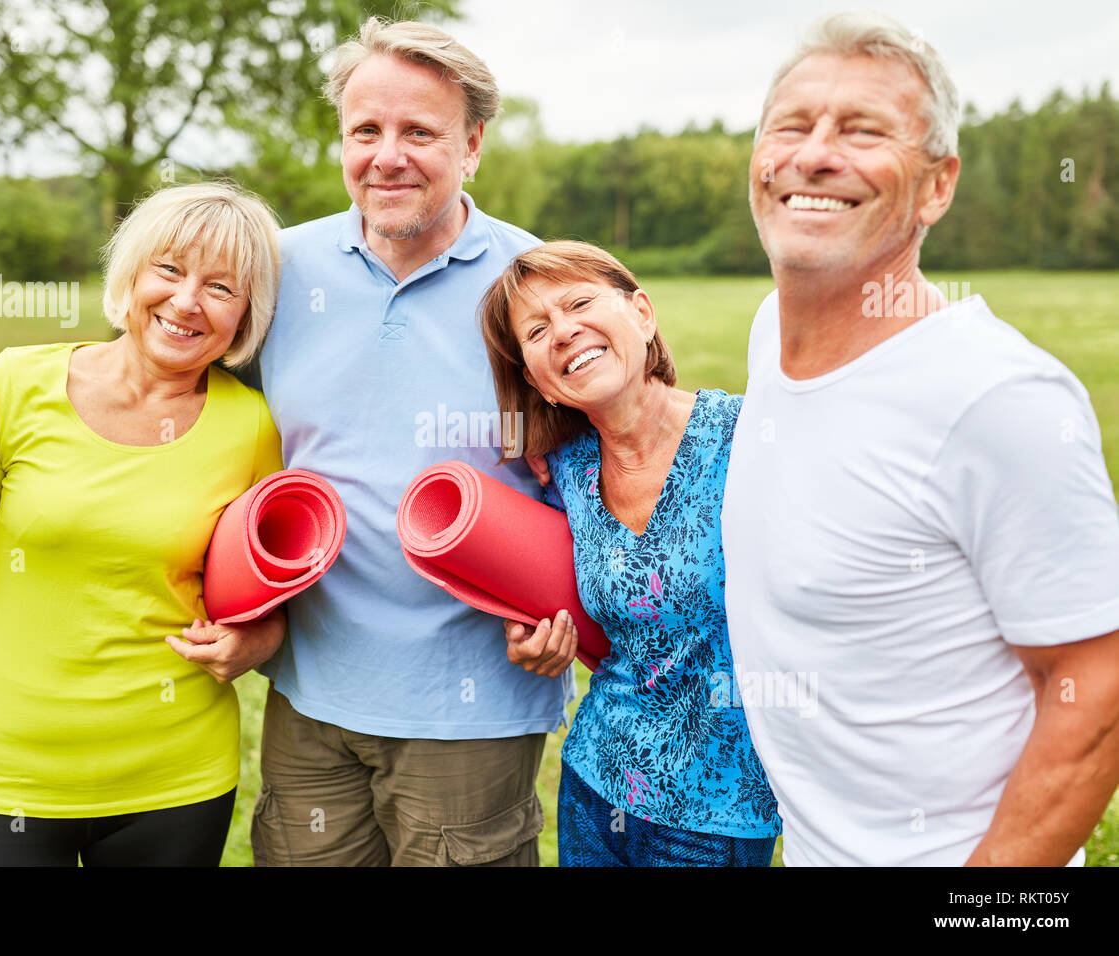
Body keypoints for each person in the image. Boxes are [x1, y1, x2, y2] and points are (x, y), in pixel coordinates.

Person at [723, 11, 1119, 865]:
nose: (814, 153)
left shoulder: (995, 398)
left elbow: (1098, 689)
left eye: (863, 131)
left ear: (938, 185)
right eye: (791, 125)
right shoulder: (770, 335)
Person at [202, 17, 570, 867]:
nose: (388, 155)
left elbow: (606, 467)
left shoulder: (539, 285)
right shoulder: (279, 272)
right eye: (366, 130)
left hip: (471, 709)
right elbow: (171, 380)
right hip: (310, 695)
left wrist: (564, 614)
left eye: (420, 132)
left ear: (473, 145)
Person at [0, 181, 287, 866]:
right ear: (131, 274)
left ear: (246, 315)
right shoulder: (16, 384)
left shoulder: (252, 427)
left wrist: (258, 636)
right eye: (168, 269)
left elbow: (272, 593)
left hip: (174, 777)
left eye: (221, 288)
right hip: (6, 771)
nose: (187, 301)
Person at [479, 240, 780, 866]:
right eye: (537, 330)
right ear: (539, 381)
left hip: (719, 810)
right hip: (595, 783)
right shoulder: (566, 472)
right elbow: (557, 598)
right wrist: (533, 640)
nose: (563, 332)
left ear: (642, 313)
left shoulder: (750, 438)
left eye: (580, 302)